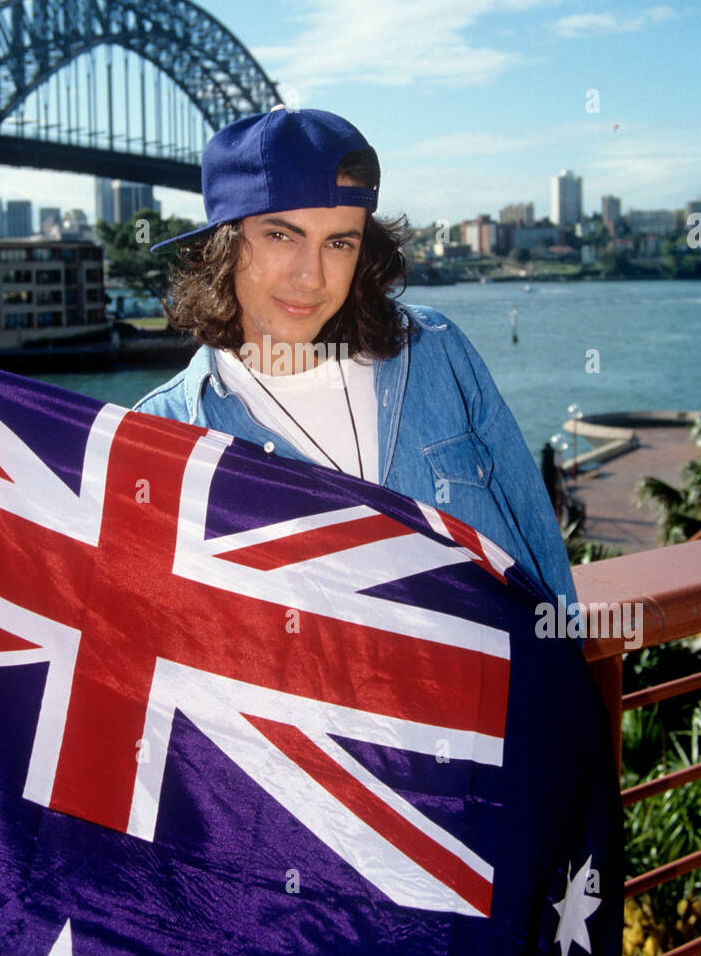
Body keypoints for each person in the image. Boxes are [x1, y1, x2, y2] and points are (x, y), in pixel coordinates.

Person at [132, 106, 578, 621]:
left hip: (500, 697)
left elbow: (537, 544)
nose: (311, 277)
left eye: (338, 243)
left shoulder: (435, 350)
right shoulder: (164, 433)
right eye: (282, 236)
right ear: (224, 245)